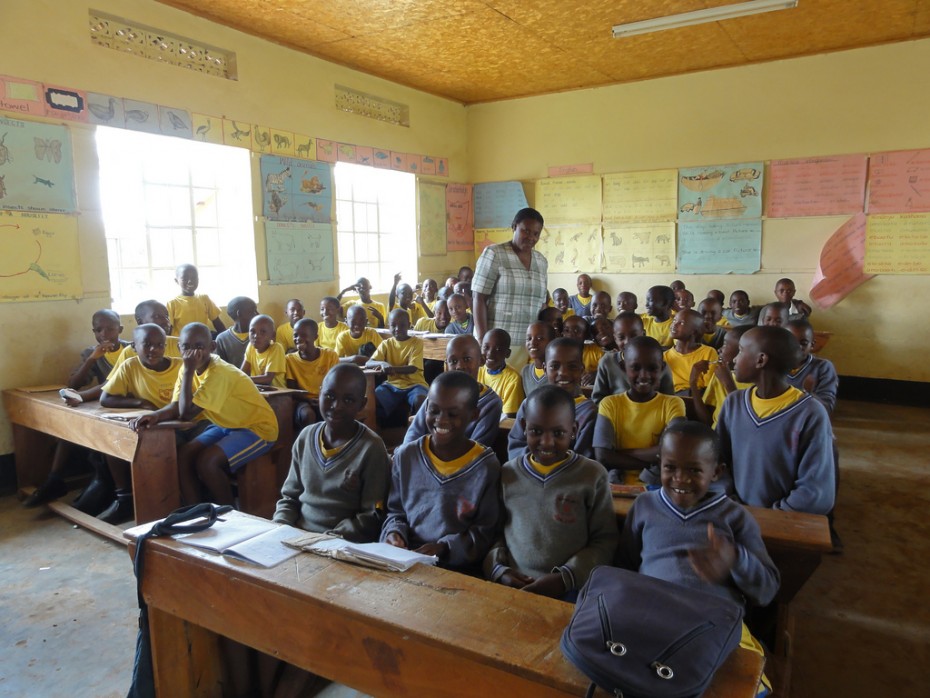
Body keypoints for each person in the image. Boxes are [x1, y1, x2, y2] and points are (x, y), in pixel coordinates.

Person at [616, 421, 779, 697]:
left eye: (694, 470)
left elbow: (767, 591)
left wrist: (735, 559)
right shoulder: (644, 507)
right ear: (660, 464)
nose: (680, 479)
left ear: (716, 472)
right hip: (654, 620)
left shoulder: (735, 518)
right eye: (670, 468)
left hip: (715, 626)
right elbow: (625, 567)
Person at [486, 386, 618, 599]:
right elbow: (495, 534)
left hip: (572, 587)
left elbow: (605, 541)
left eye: (558, 433)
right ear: (523, 427)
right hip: (514, 584)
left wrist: (565, 578)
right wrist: (499, 570)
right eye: (536, 431)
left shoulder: (592, 475)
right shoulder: (508, 474)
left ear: (574, 431)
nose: (546, 442)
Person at [133, 322, 278, 505]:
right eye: (186, 347)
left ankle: (228, 514)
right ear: (179, 348)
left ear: (212, 347)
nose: (193, 353)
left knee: (207, 463)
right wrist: (156, 416)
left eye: (199, 347)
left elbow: (186, 414)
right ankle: (196, 509)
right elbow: (176, 406)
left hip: (257, 428)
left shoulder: (218, 373)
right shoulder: (187, 369)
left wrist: (188, 370)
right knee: (184, 454)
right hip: (227, 425)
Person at [381, 371, 501, 574]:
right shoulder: (406, 456)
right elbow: (395, 511)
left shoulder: (485, 466)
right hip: (406, 559)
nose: (441, 420)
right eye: (434, 410)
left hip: (458, 568)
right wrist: (394, 533)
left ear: (473, 415)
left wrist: (445, 548)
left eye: (453, 414)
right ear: (426, 408)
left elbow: (485, 531)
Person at [716, 326, 835, 514]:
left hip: (784, 522)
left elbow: (815, 491)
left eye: (740, 351)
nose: (735, 359)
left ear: (761, 360)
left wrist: (771, 516)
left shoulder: (809, 413)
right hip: (736, 514)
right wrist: (731, 502)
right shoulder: (734, 403)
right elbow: (718, 462)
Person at [24, 309, 129, 510]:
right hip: (106, 404)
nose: (104, 335)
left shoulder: (131, 350)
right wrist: (92, 359)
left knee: (104, 432)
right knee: (69, 427)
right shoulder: (92, 352)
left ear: (120, 329)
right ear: (94, 332)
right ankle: (55, 480)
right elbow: (73, 384)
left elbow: (115, 382)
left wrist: (82, 397)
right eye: (99, 330)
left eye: (110, 329)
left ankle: (120, 494)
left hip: (125, 405)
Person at [273, 364, 390, 542]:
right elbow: (290, 497)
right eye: (329, 396)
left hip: (341, 543)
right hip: (297, 536)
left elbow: (371, 516)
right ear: (319, 393)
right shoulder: (305, 437)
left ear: (362, 404)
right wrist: (280, 527)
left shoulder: (371, 448)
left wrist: (326, 540)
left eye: (348, 400)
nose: (336, 406)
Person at [97, 323, 182, 523]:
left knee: (152, 447)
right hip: (151, 425)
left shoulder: (180, 366)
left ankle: (161, 503)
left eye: (159, 345)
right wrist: (141, 402)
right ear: (134, 347)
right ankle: (125, 499)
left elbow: (184, 406)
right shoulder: (130, 366)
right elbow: (106, 398)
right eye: (147, 345)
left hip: (178, 424)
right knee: (115, 442)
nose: (154, 350)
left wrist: (157, 412)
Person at [593, 336, 686, 485]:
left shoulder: (673, 404)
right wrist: (652, 461)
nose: (644, 375)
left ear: (662, 368)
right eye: (636, 368)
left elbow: (672, 451)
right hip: (617, 483)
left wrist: (620, 454)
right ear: (624, 368)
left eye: (652, 368)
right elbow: (603, 456)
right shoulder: (610, 404)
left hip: (659, 484)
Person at [472, 208, 549, 369]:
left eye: (536, 233)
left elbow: (541, 304)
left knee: (522, 391)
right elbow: (479, 298)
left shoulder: (541, 262)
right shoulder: (495, 254)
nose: (531, 237)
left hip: (529, 345)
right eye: (526, 231)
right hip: (498, 345)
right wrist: (483, 341)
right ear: (514, 226)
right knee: (496, 391)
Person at [404, 334, 502, 447]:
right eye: (453, 361)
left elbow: (478, 447)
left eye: (467, 359)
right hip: (425, 457)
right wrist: (407, 455)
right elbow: (414, 432)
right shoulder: (438, 393)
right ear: (446, 366)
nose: (460, 366)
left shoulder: (491, 403)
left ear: (481, 360)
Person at [509, 338, 597, 460]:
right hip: (528, 473)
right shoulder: (530, 404)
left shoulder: (589, 413)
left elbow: (582, 458)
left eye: (572, 367)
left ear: (581, 370)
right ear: (545, 369)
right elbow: (516, 445)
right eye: (555, 366)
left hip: (569, 477)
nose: (563, 373)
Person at [592, 313, 674, 401]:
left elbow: (669, 400)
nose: (628, 342)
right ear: (615, 338)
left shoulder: (658, 364)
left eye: (633, 336)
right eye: (621, 337)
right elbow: (598, 398)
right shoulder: (607, 362)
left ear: (643, 334)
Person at [367, 309, 428, 427]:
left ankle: (417, 430)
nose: (397, 329)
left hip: (415, 384)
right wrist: (383, 364)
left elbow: (413, 368)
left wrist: (392, 369)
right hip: (392, 385)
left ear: (409, 325)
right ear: (388, 326)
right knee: (373, 398)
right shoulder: (387, 343)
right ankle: (381, 430)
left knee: (420, 400)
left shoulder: (416, 342)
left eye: (402, 325)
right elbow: (370, 362)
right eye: (393, 325)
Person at [690, 325, 754, 428]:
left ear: (741, 351)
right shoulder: (720, 375)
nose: (719, 350)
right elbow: (707, 421)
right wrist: (693, 383)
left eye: (725, 345)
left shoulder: (757, 386)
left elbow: (747, 425)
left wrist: (728, 384)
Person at [286, 318, 339, 429]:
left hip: (327, 398)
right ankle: (308, 443)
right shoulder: (290, 359)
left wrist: (323, 398)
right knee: (308, 415)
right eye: (295, 335)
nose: (298, 339)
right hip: (303, 400)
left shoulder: (330, 355)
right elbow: (292, 389)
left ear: (315, 337)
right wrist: (308, 399)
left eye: (304, 335)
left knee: (335, 413)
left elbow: (336, 383)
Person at [786, 319, 838, 414]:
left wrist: (807, 394)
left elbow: (827, 407)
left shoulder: (823, 367)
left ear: (812, 345)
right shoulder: (774, 365)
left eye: (804, 343)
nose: (797, 347)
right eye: (791, 342)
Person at [111, 300, 180, 368]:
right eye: (156, 316)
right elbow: (114, 378)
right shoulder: (129, 352)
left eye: (166, 316)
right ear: (140, 321)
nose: (166, 321)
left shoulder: (181, 345)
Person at [664, 309, 719, 395]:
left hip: (697, 397)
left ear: (694, 330)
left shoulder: (708, 352)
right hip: (673, 398)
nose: (674, 324)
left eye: (681, 323)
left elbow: (710, 386)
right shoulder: (665, 356)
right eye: (674, 320)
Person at [166, 263, 226, 334]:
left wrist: (226, 338)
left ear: (198, 279)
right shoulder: (172, 303)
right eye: (185, 278)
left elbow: (217, 322)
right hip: (181, 343)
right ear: (176, 281)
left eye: (194, 277)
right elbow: (168, 330)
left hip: (202, 342)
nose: (190, 281)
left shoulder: (205, 299)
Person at [478, 329, 524, 418]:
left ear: (507, 353)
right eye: (486, 347)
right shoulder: (477, 370)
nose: (490, 353)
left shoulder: (513, 379)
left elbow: (509, 415)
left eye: (498, 349)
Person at [241, 314, 286, 388]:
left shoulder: (276, 348)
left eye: (262, 332)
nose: (256, 336)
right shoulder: (251, 346)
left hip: (278, 394)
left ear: (273, 335)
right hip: (260, 391)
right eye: (252, 331)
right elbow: (242, 372)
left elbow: (267, 379)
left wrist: (241, 379)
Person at [215, 296, 258, 369]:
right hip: (233, 379)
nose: (257, 314)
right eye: (252, 311)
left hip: (258, 379)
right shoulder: (222, 339)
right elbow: (220, 367)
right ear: (239, 313)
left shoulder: (259, 335)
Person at [521, 321, 555, 397]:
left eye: (539, 338)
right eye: (529, 338)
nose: (532, 342)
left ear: (552, 341)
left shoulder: (558, 373)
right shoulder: (525, 371)